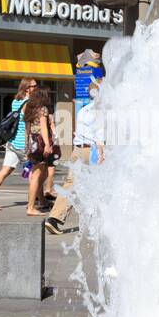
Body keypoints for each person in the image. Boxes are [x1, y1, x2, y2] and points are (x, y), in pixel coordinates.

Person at [45, 80, 105, 236]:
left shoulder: (83, 111)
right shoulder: (101, 113)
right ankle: (98, 221)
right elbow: (99, 138)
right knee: (98, 186)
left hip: (77, 151)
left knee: (71, 185)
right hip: (91, 152)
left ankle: (54, 218)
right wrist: (101, 155)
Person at [0, 78, 36, 211]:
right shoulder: (28, 104)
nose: (36, 88)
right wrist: (28, 144)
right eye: (34, 86)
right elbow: (27, 127)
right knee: (34, 173)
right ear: (27, 88)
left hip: (12, 143)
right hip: (23, 145)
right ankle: (32, 204)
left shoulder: (15, 101)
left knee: (5, 170)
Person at [25, 85, 60, 217]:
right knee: (36, 175)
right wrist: (47, 145)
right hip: (40, 142)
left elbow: (27, 130)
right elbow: (44, 129)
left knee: (40, 173)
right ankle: (31, 207)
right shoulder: (43, 109)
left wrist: (26, 145)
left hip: (32, 142)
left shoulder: (29, 109)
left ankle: (38, 201)